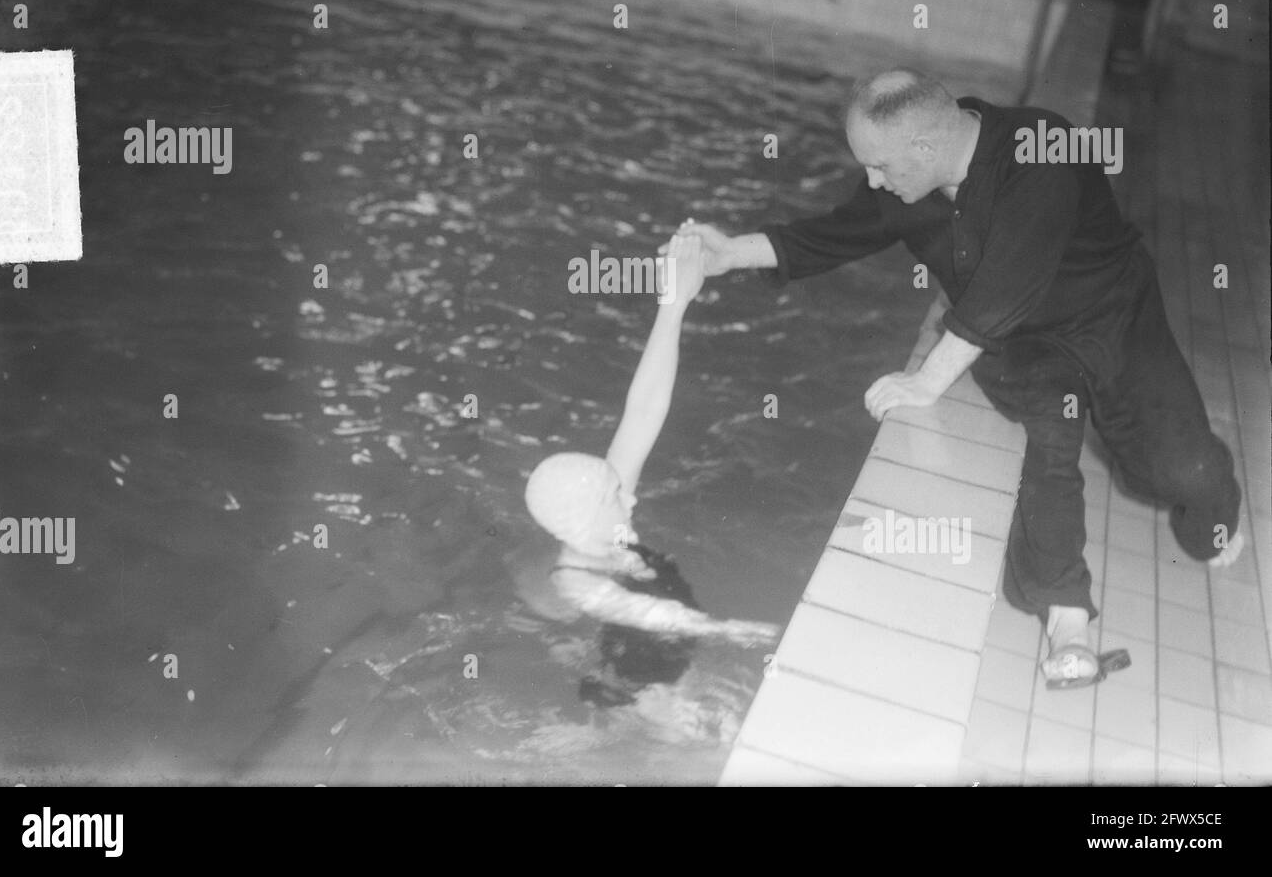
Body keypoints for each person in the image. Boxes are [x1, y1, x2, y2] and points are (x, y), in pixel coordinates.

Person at [671, 70, 1244, 691]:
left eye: (880, 166)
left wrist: (927, 380)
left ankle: (1211, 517)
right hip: (1024, 345)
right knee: (1051, 439)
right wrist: (732, 253)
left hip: (1112, 311)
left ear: (923, 148)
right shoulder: (906, 183)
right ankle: (1066, 618)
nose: (872, 180)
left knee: (1182, 472)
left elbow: (1009, 282)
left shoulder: (1042, 145)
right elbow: (837, 231)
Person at [514, 229, 778, 658]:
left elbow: (642, 411)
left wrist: (673, 305)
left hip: (643, 596)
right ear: (580, 522)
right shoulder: (573, 581)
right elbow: (646, 615)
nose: (630, 499)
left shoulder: (600, 522)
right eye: (616, 496)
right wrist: (736, 631)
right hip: (608, 648)